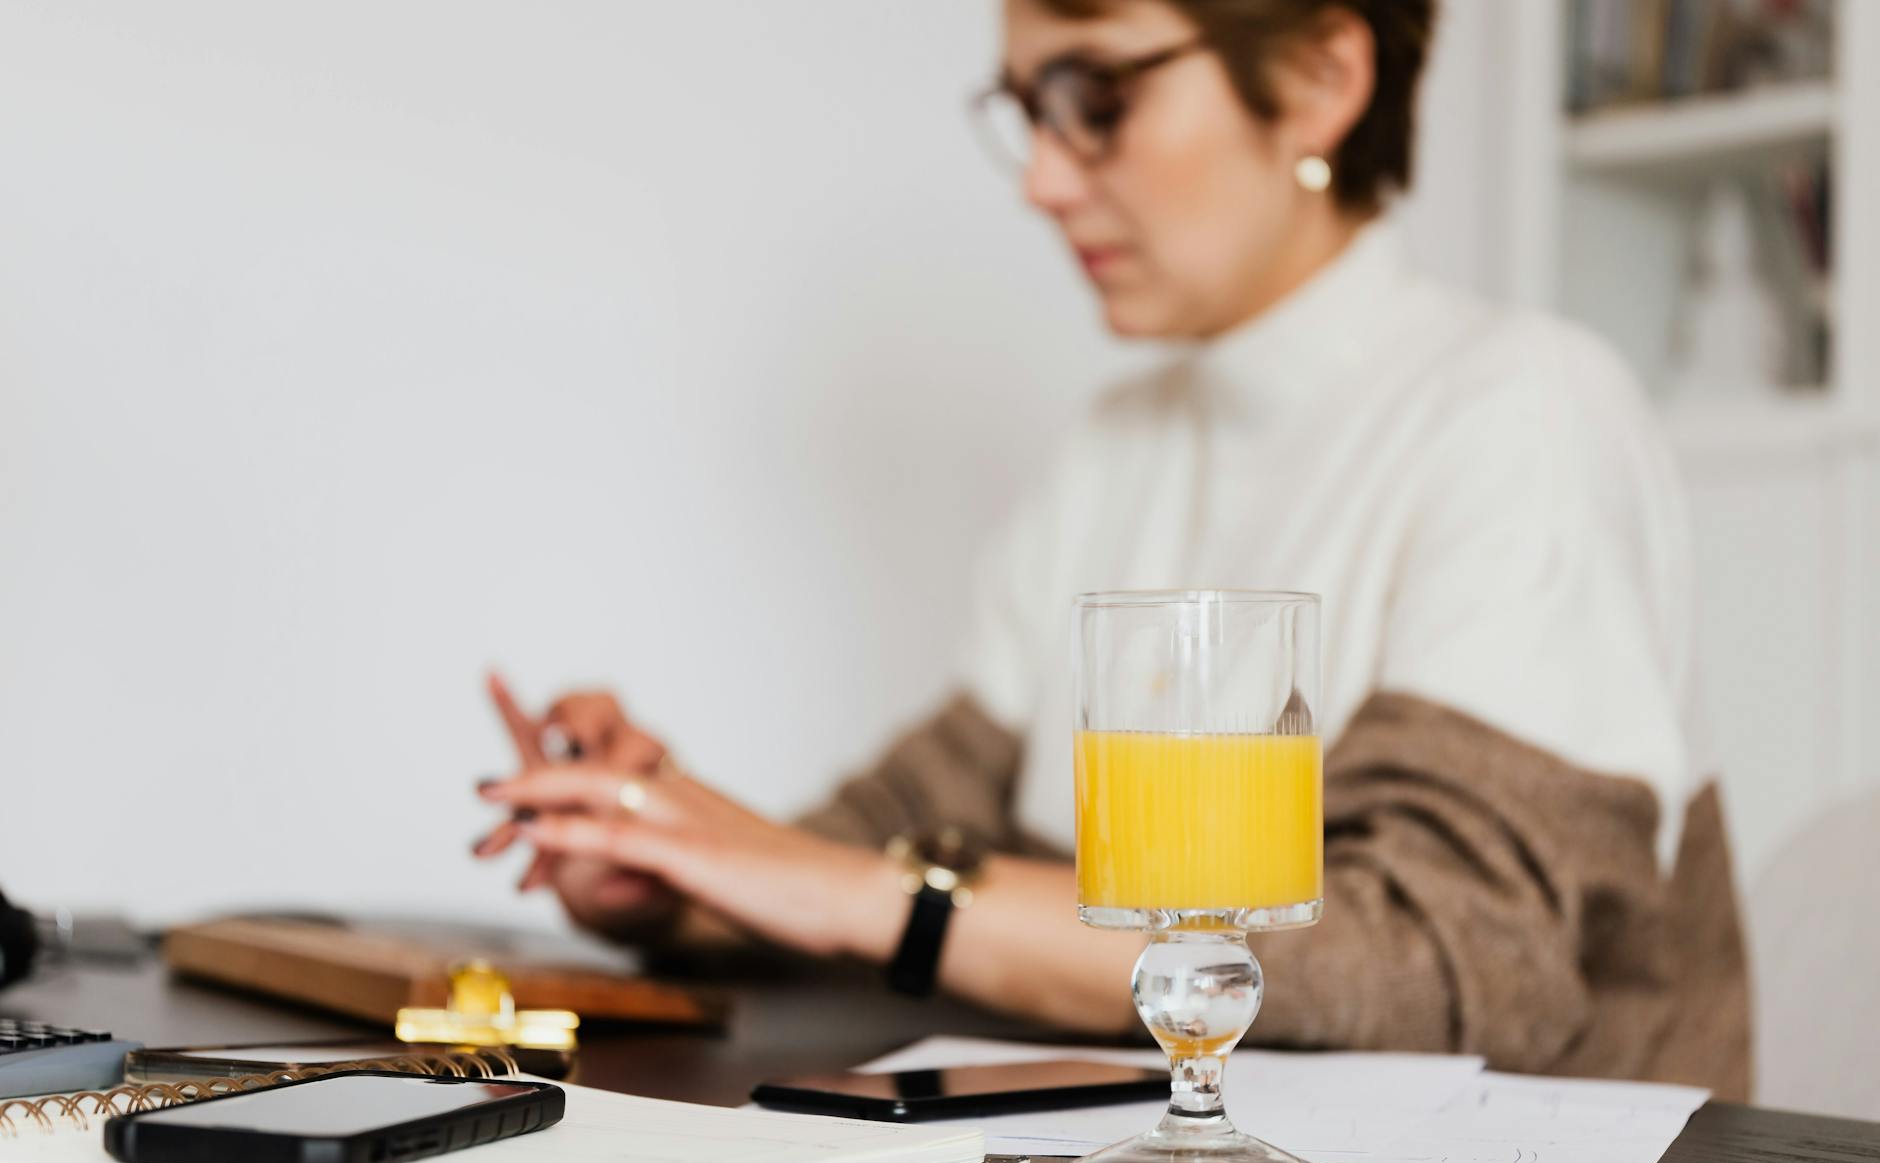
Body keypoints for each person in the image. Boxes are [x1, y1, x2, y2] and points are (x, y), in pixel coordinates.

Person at [473, 0, 1751, 1097]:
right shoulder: (1118, 446)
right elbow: (902, 832)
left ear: (1320, 80)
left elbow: (1433, 969)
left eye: (1093, 95)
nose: (1039, 176)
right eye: (1025, 109)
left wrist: (874, 896)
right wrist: (673, 870)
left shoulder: (1521, 407)